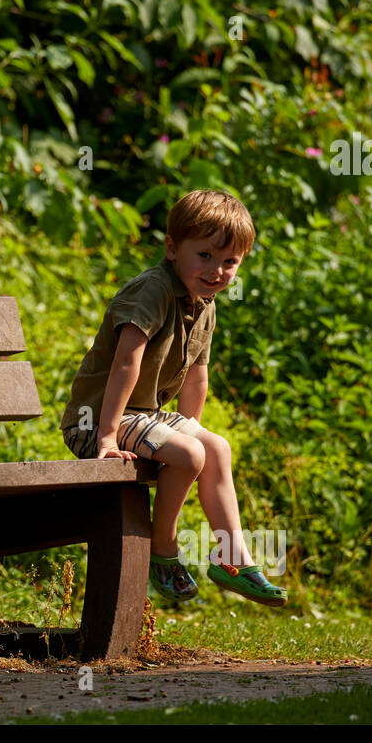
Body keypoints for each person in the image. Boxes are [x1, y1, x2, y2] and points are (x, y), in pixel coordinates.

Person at [59, 189, 286, 607]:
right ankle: (162, 547)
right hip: (97, 421)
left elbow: (196, 377)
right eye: (204, 256)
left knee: (215, 447)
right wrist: (106, 439)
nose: (217, 270)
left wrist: (191, 426)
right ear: (171, 248)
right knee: (189, 455)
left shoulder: (205, 303)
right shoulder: (153, 290)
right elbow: (126, 362)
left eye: (229, 262)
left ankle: (232, 557)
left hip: (144, 416)